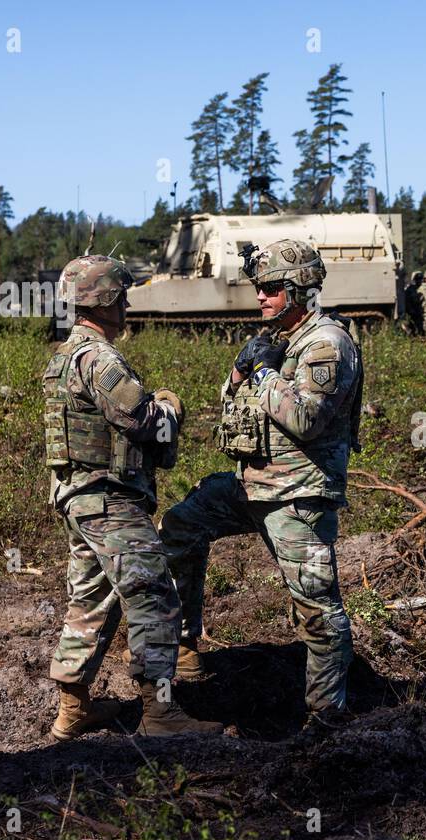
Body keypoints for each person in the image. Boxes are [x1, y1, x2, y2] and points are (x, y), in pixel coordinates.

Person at [159, 239, 362, 730]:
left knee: (316, 608)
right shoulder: (279, 338)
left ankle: (327, 717)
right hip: (253, 484)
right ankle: (186, 647)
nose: (261, 298)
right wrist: (240, 368)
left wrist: (265, 369)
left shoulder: (325, 343)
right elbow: (232, 400)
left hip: (296, 493)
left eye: (271, 289)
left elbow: (306, 418)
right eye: (259, 288)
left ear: (299, 289)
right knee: (179, 528)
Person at [44, 254, 223, 739]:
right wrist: (169, 407)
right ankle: (161, 714)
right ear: (103, 300)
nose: (127, 304)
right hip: (110, 501)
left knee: (91, 600)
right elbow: (139, 420)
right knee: (155, 598)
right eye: (121, 295)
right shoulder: (99, 358)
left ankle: (73, 708)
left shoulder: (63, 356)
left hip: (80, 500)